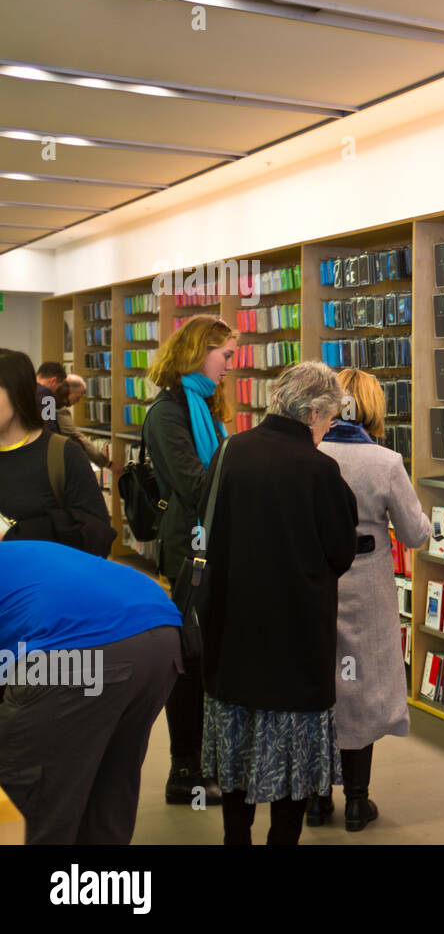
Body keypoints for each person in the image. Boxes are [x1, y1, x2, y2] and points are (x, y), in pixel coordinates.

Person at [200, 361, 359, 846]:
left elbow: (205, 527)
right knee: (294, 750)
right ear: (312, 412)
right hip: (297, 633)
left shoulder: (229, 452)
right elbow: (340, 551)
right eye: (329, 419)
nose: (329, 428)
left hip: (232, 627)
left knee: (237, 742)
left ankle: (235, 837)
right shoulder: (319, 469)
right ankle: (282, 839)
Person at [310, 368, 431, 831]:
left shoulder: (312, 452)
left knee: (320, 685)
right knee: (362, 687)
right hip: (367, 587)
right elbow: (416, 533)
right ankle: (358, 802)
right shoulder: (385, 461)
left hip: (317, 581)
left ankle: (317, 800)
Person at [0, 541, 182, 844]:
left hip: (80, 650)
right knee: (109, 791)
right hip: (162, 634)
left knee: (28, 805)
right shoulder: (21, 552)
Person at [142, 315, 235, 806]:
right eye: (225, 356)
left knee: (209, 655)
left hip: (214, 546)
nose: (230, 367)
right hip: (187, 551)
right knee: (190, 658)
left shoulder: (203, 405)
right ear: (200, 352)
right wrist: (239, 462)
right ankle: (184, 769)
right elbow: (197, 485)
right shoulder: (168, 413)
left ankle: (206, 758)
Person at [0, 349, 113, 556]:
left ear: (17, 393)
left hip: (42, 581)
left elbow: (96, 533)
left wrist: (17, 534)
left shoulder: (63, 455)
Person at [55, 375, 113, 470]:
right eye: (78, 396)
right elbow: (78, 437)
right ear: (68, 391)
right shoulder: (60, 411)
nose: (78, 401)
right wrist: (107, 464)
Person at [34, 361, 65, 435]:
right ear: (53, 381)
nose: (55, 392)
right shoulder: (46, 393)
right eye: (58, 387)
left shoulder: (23, 387)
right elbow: (49, 427)